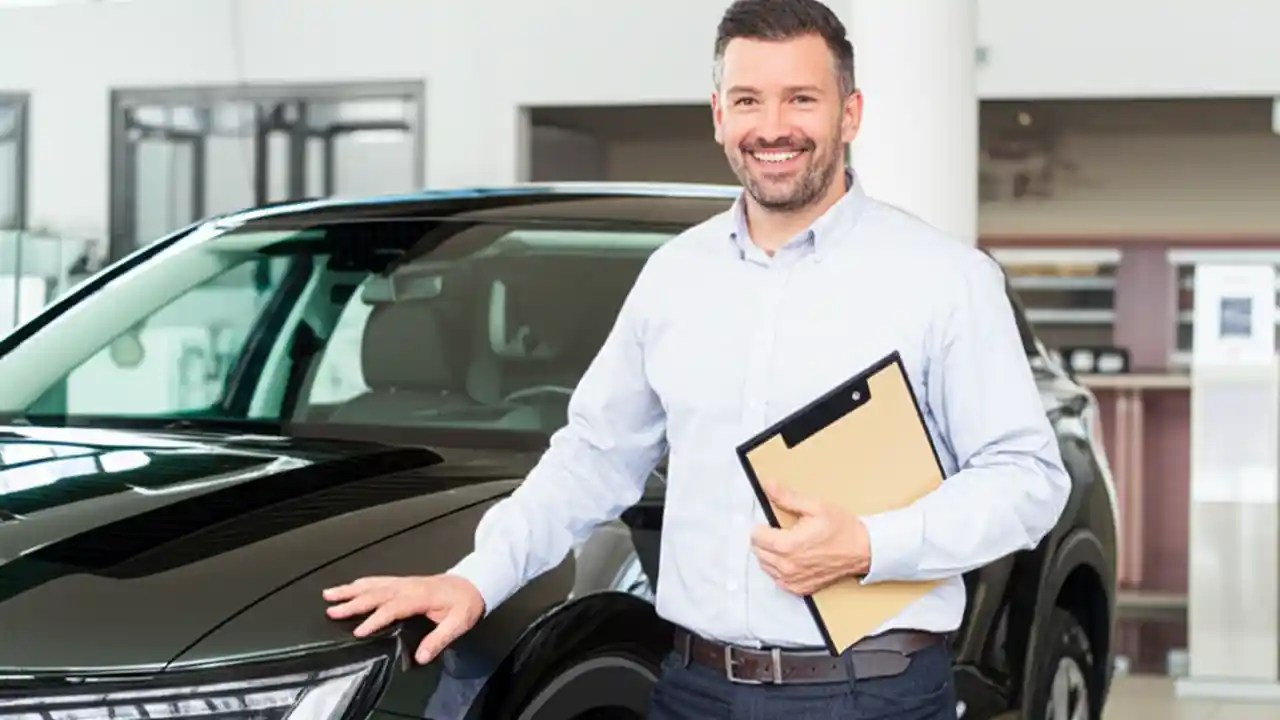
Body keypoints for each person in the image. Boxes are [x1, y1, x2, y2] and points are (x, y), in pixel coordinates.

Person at [322, 0, 1071, 716]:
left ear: (850, 114)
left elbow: (1029, 480)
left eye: (801, 99)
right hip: (695, 689)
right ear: (718, 116)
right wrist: (476, 580)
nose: (772, 127)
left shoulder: (943, 280)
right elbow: (594, 457)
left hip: (872, 694)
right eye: (748, 101)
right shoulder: (674, 277)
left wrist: (871, 546)